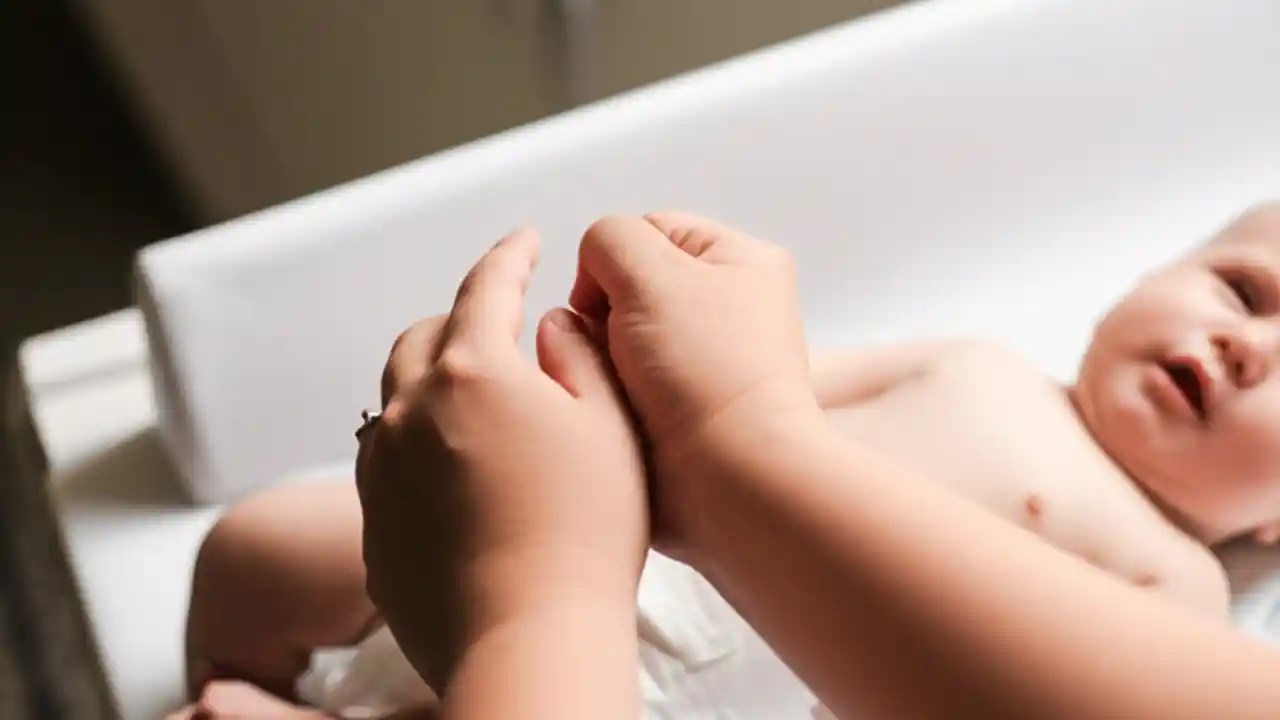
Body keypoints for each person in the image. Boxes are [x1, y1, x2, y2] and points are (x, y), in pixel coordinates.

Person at [173, 208, 1280, 719]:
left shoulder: (1173, 588)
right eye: (1236, 288)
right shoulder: (974, 361)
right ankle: (242, 675)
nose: (1243, 345)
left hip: (679, 697)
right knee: (261, 540)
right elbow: (762, 379)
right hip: (618, 538)